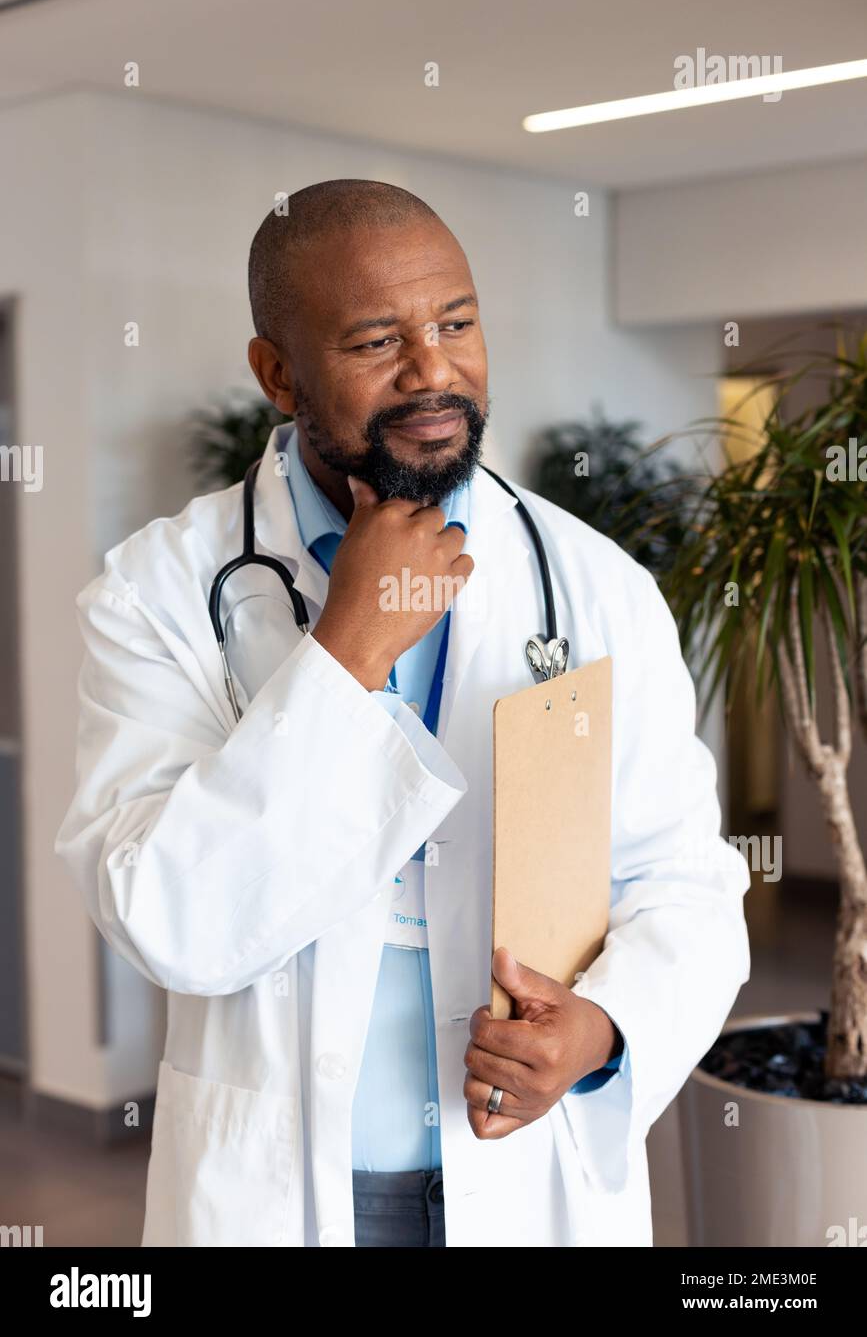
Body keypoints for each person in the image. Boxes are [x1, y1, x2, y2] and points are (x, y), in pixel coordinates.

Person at [56, 179, 750, 1248]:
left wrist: (607, 1028)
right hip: (286, 1186)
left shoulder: (597, 585)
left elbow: (686, 882)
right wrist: (346, 650)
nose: (434, 369)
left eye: (457, 323)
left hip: (525, 1178)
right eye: (378, 340)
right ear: (278, 374)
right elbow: (167, 917)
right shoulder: (158, 593)